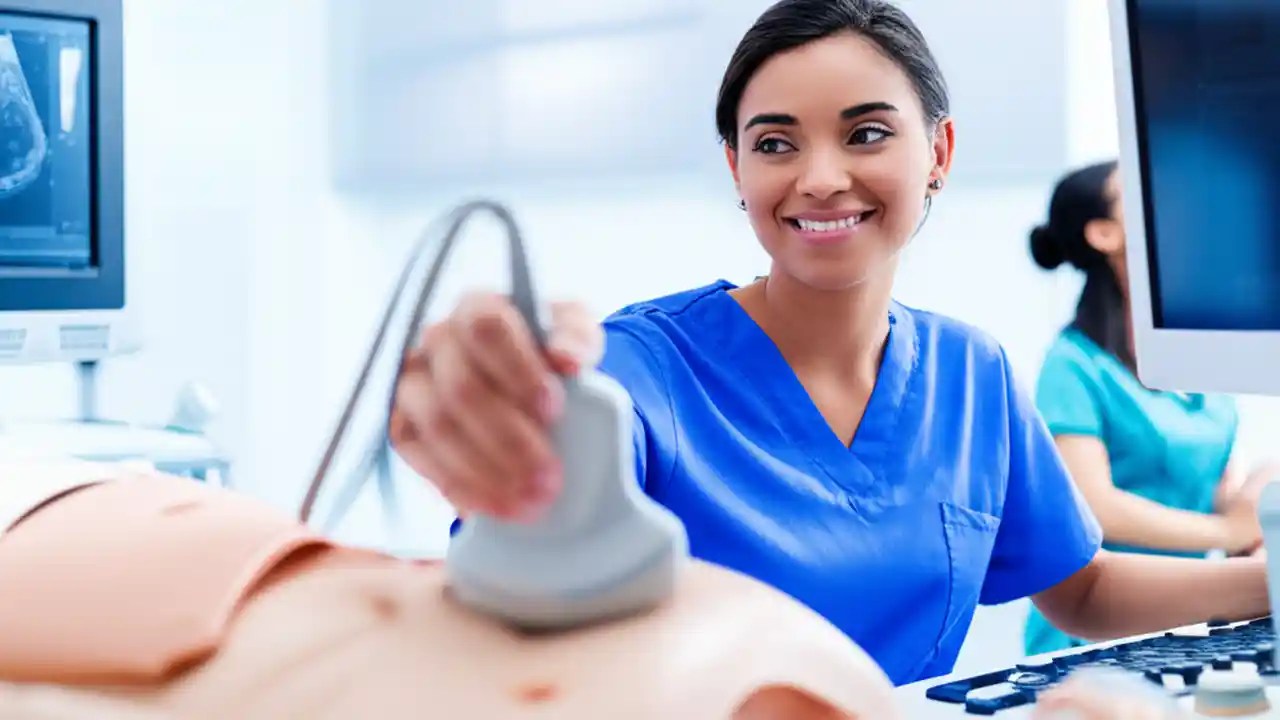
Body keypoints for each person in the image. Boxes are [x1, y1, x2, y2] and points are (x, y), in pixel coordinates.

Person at [389, 0, 1271, 687]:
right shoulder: (634, 371)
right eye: (775, 143)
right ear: (737, 167)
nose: (820, 178)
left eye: (867, 132)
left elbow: (1080, 589)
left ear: (939, 153)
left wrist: (1267, 578)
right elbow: (522, 555)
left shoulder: (972, 372)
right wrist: (499, 419)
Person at [1022, 161, 1275, 656]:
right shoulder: (1072, 365)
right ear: (1103, 234)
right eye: (1138, 190)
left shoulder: (1200, 352)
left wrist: (1260, 503)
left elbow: (1216, 486)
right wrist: (1227, 530)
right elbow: (1097, 507)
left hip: (1190, 619)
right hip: (1096, 633)